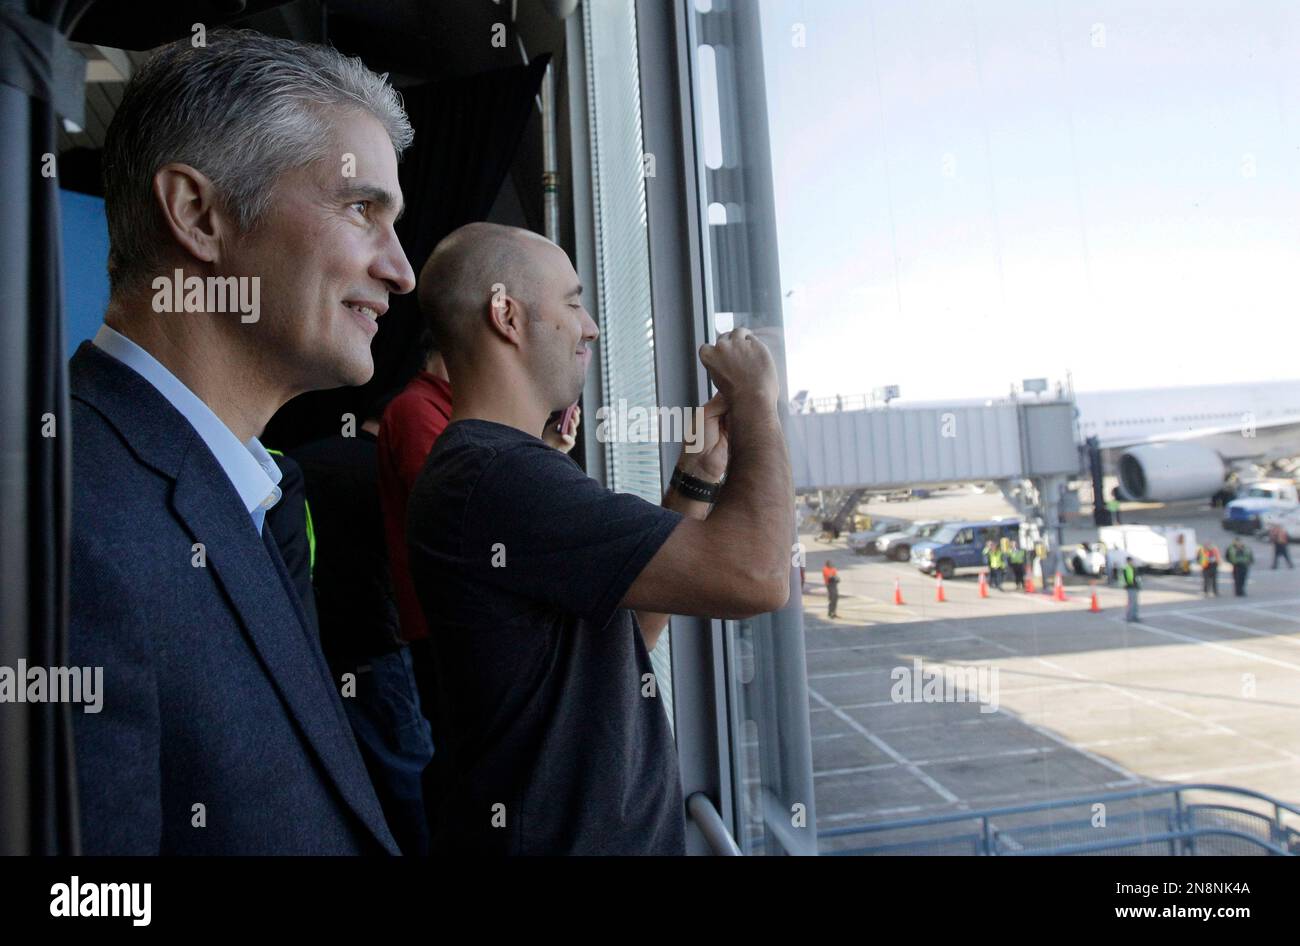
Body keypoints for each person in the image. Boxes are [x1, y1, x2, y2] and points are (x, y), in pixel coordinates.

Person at [68, 31, 413, 854]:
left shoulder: (254, 493)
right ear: (200, 215)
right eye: (363, 208)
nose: (401, 270)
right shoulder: (65, 518)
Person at [406, 222, 793, 855]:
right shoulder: (497, 475)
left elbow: (626, 633)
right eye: (572, 303)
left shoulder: (496, 469)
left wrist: (698, 479)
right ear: (506, 315)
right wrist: (755, 398)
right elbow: (759, 574)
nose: (589, 326)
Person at [288, 395, 435, 857]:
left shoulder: (297, 463)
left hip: (313, 656)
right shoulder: (388, 473)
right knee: (413, 791)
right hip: (378, 654)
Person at [1122, 556, 1141, 622]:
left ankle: (1134, 616)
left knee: (1134, 603)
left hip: (1133, 587)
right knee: (1132, 603)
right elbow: (1130, 579)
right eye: (1131, 561)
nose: (1132, 562)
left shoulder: (1131, 568)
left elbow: (1136, 578)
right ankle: (1130, 617)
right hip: (1131, 587)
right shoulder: (1128, 568)